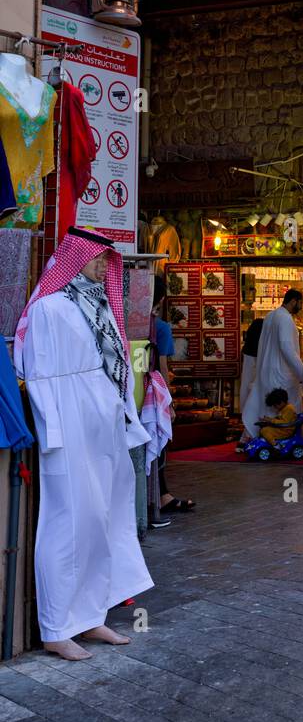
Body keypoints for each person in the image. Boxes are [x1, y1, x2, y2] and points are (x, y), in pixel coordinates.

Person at [14, 227, 153, 661]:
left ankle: (90, 617)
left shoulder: (100, 305)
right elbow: (37, 377)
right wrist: (53, 435)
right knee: (68, 521)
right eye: (96, 256)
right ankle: (56, 627)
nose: (102, 262)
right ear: (75, 256)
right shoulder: (49, 309)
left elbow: (116, 368)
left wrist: (124, 418)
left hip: (104, 425)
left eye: (106, 258)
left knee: (102, 519)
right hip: (69, 428)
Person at [149, 278, 195, 522]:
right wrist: (170, 402)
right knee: (158, 446)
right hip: (152, 395)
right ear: (162, 300)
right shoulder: (162, 327)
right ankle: (161, 496)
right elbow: (163, 367)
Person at [242, 289, 303, 439]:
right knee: (281, 409)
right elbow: (287, 348)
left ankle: (258, 436)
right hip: (282, 373)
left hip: (268, 371)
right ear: (294, 301)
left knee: (266, 406)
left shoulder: (271, 316)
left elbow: (263, 344)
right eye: (301, 303)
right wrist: (302, 372)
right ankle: (279, 438)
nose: (301, 307)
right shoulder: (285, 319)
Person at [236, 316, 264, 453]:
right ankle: (247, 438)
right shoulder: (262, 352)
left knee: (248, 409)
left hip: (247, 387)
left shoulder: (247, 351)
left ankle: (244, 439)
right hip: (256, 387)